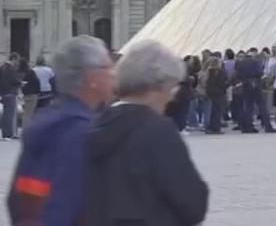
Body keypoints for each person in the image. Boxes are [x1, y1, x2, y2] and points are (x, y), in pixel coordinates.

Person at [85, 40, 209, 226]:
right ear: (156, 86)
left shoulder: (95, 124)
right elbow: (191, 202)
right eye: (173, 86)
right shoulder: (158, 131)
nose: (173, 94)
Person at [7, 37, 113, 225]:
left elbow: (19, 199)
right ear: (93, 78)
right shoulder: (80, 134)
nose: (113, 74)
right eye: (108, 68)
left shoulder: (46, 122)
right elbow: (62, 206)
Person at [0, 54, 21, 139]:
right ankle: (8, 134)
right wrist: (20, 83)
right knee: (9, 114)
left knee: (6, 114)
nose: (17, 62)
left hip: (4, 93)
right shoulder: (10, 68)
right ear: (14, 59)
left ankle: (7, 133)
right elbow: (14, 80)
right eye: (17, 60)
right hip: (10, 92)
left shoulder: (2, 67)